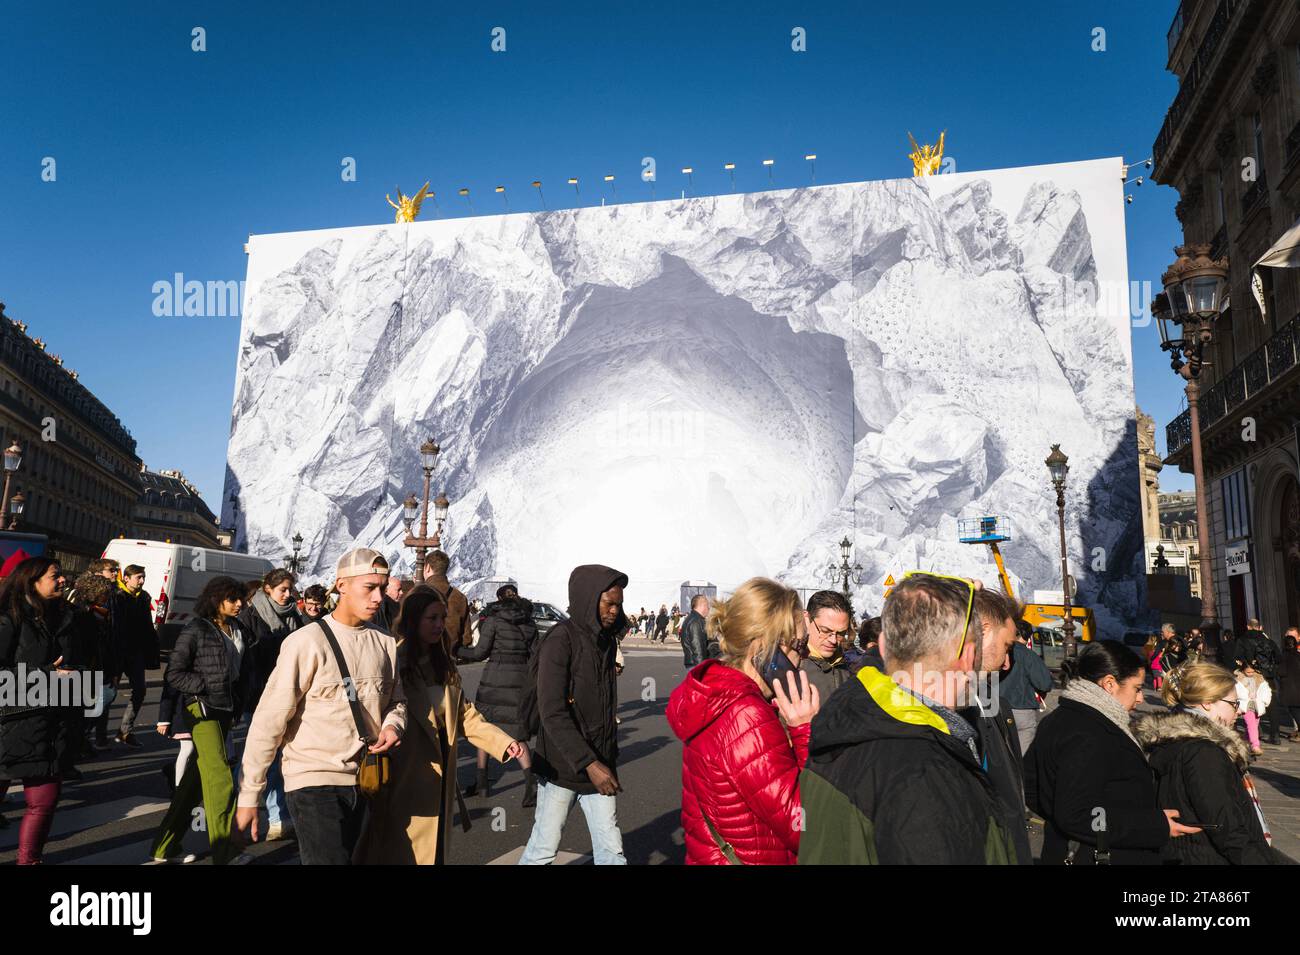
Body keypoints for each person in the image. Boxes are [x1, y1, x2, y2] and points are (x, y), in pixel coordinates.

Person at [798, 572, 1021, 864]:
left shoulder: (849, 718)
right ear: (968, 657)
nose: (1005, 662)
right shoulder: (927, 772)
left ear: (883, 646)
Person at [235, 548, 406, 865]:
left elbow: (397, 701)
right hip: (313, 781)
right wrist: (249, 796)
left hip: (366, 780)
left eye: (383, 588)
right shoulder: (306, 642)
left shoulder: (385, 643)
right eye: (369, 587)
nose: (379, 597)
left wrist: (394, 725)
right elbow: (269, 722)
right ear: (341, 585)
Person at [355, 587, 527, 864]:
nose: (439, 625)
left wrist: (502, 742)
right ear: (412, 620)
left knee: (431, 854)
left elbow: (464, 715)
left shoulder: (443, 663)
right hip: (403, 776)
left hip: (439, 780)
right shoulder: (394, 662)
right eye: (431, 618)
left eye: (442, 618)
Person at [668, 578, 818, 864]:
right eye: (800, 645)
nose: (805, 657)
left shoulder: (716, 693)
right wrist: (804, 731)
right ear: (767, 649)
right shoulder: (747, 717)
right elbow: (804, 826)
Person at [1025, 640, 1199, 864]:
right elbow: (1076, 814)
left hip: (1065, 848)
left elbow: (1032, 786)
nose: (1140, 698)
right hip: (1100, 854)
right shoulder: (1090, 732)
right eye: (1136, 688)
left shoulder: (1059, 718)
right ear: (1109, 684)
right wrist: (1153, 825)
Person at [519, 565, 628, 865]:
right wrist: (589, 764)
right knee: (543, 850)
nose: (614, 611)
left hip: (600, 765)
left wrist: (605, 759)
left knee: (612, 853)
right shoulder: (560, 641)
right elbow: (552, 712)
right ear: (589, 599)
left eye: (618, 604)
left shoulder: (605, 642)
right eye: (609, 604)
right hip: (562, 768)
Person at [148, 576, 252, 865]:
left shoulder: (239, 629)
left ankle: (163, 847)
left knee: (194, 781)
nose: (239, 603)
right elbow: (174, 673)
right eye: (233, 599)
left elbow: (242, 673)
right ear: (216, 600)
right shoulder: (195, 629)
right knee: (220, 777)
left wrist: (237, 702)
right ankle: (226, 853)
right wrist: (206, 686)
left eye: (240, 598)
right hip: (201, 710)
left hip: (225, 710)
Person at [1135, 662, 1278, 864]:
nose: (1239, 711)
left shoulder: (1172, 739)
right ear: (1207, 702)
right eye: (1234, 704)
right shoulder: (1203, 751)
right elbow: (1225, 824)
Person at [0, 558, 76, 863]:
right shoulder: (9, 619)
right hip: (9, 722)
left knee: (45, 800)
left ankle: (29, 860)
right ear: (32, 581)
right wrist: (44, 675)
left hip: (50, 723)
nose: (62, 581)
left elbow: (71, 666)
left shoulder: (67, 617)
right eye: (55, 576)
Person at [456, 584, 538, 804]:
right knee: (517, 734)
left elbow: (480, 652)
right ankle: (530, 784)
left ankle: (481, 783)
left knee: (485, 727)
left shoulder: (493, 620)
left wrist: (455, 651)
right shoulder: (529, 622)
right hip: (521, 681)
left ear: (499, 599)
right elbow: (535, 656)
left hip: (495, 679)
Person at [237, 568, 303, 841]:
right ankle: (262, 811)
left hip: (289, 695)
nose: (287, 595)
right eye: (282, 590)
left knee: (278, 758)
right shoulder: (251, 616)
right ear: (267, 589)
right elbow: (247, 659)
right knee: (265, 757)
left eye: (290, 590)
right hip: (259, 695)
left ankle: (278, 817)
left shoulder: (295, 617)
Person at [108, 564, 159, 749]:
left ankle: (125, 731)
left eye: (143, 577)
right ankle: (93, 735)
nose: (142, 581)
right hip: (117, 651)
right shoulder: (116, 596)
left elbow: (147, 625)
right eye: (139, 577)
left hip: (135, 652)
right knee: (108, 694)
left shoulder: (144, 597)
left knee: (140, 689)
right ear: (127, 579)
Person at [998, 618, 1055, 755]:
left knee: (1001, 754)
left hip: (996, 709)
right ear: (1026, 636)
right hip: (1022, 710)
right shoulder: (1029, 655)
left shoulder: (997, 652)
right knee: (1023, 758)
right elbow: (1045, 683)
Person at [1234, 619, 1281, 745]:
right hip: (1269, 676)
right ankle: (1275, 734)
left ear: (1248, 627)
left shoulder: (1242, 640)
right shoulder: (1268, 641)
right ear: (1260, 627)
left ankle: (1255, 731)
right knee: (1271, 704)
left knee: (1250, 703)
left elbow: (1237, 657)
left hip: (1251, 675)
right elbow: (1278, 657)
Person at [800, 590, 854, 700]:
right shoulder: (792, 666)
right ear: (806, 618)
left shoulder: (849, 667)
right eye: (825, 630)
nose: (834, 640)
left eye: (841, 633)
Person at [415, 551, 470, 653]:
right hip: (449, 661)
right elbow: (467, 638)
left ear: (427, 568)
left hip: (420, 660)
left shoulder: (416, 594)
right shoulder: (460, 597)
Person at [1234, 663, 1272, 757]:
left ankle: (1244, 744)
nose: (1250, 673)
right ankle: (1255, 745)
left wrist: (1264, 701)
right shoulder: (1238, 680)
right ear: (1243, 670)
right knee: (1251, 725)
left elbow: (1266, 690)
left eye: (1252, 671)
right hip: (1246, 704)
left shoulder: (1260, 679)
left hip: (1257, 704)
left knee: (1254, 725)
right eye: (1248, 672)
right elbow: (1235, 692)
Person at [679, 594, 710, 669]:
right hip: (696, 665)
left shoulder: (692, 618)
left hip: (693, 664)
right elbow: (697, 648)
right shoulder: (696, 621)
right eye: (707, 606)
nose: (708, 608)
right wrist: (701, 669)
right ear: (702, 605)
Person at [1279, 631, 1300, 741]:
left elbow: (1281, 672)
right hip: (1297, 687)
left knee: (1294, 710)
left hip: (1290, 689)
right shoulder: (1298, 655)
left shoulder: (1284, 656)